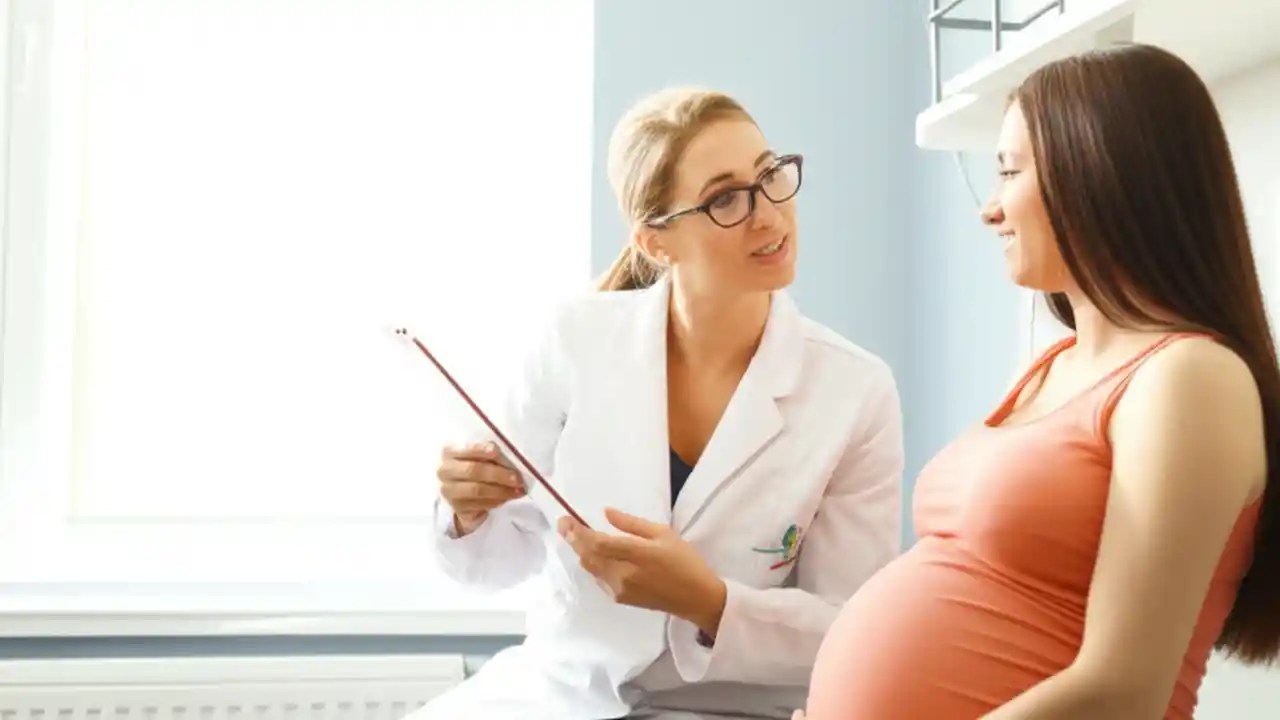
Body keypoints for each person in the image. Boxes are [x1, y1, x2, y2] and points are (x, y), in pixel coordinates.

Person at [797, 43, 1280, 720]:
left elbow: (1124, 690)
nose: (989, 210)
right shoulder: (1051, 366)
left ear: (1099, 173)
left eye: (1010, 172)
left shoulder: (1189, 377)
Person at [410, 88, 904, 720]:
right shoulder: (573, 341)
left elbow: (849, 630)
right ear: (655, 242)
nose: (769, 214)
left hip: (731, 707)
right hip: (564, 692)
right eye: (726, 197)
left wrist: (710, 602)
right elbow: (493, 565)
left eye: (771, 175)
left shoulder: (855, 391)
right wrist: (467, 512)